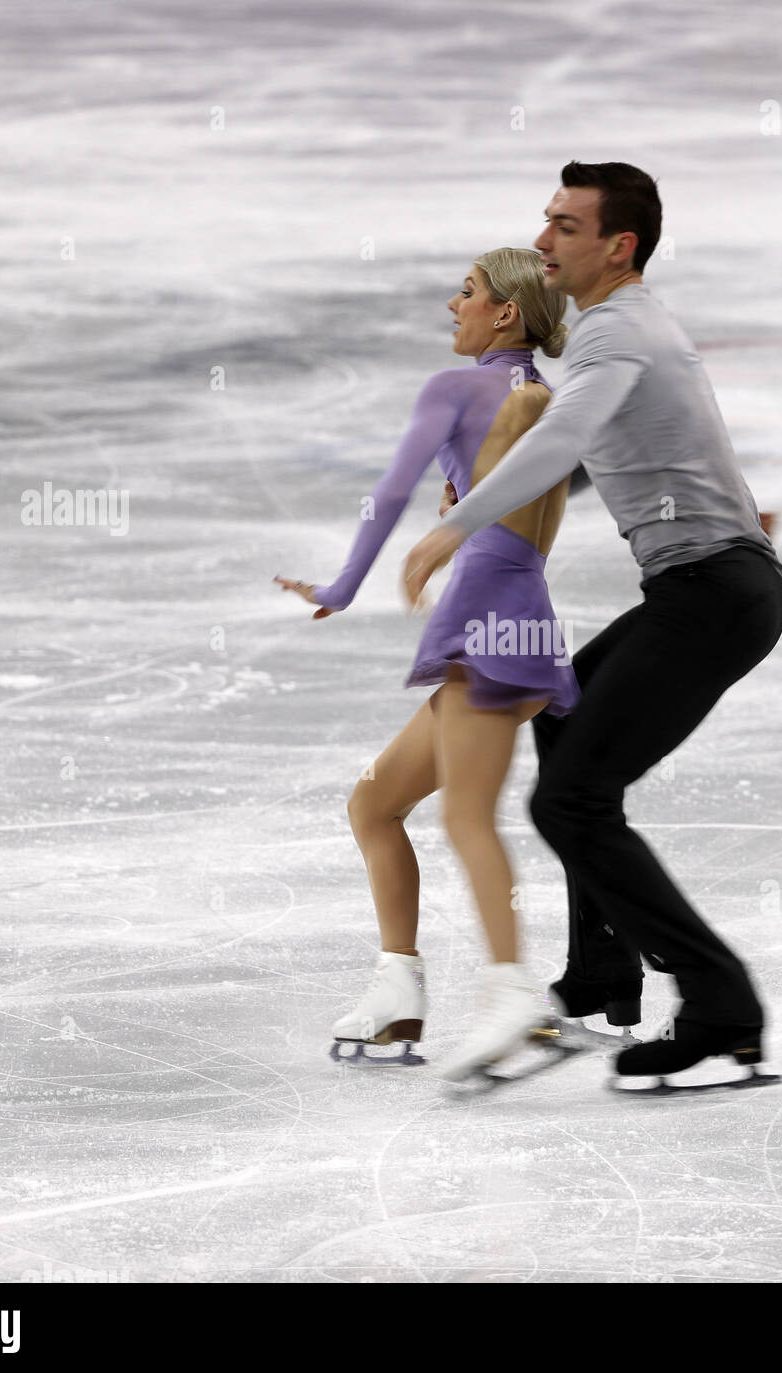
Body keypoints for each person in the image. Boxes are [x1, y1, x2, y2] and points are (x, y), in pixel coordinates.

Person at [403, 162, 782, 1085]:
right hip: (708, 586)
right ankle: (602, 968)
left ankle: (722, 1003)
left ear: (620, 246)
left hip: (714, 593)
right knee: (563, 710)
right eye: (546, 221)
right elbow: (599, 451)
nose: (543, 241)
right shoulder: (616, 332)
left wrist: (454, 528)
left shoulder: (616, 330)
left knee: (568, 801)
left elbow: (563, 439)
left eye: (566, 227)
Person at [275, 248, 577, 1082]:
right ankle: (397, 989)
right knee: (374, 803)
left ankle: (512, 992)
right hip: (522, 613)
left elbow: (389, 492)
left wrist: (341, 585)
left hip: (487, 614)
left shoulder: (457, 390)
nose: (453, 304)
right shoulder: (545, 400)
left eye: (468, 292)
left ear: (505, 313)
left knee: (467, 816)